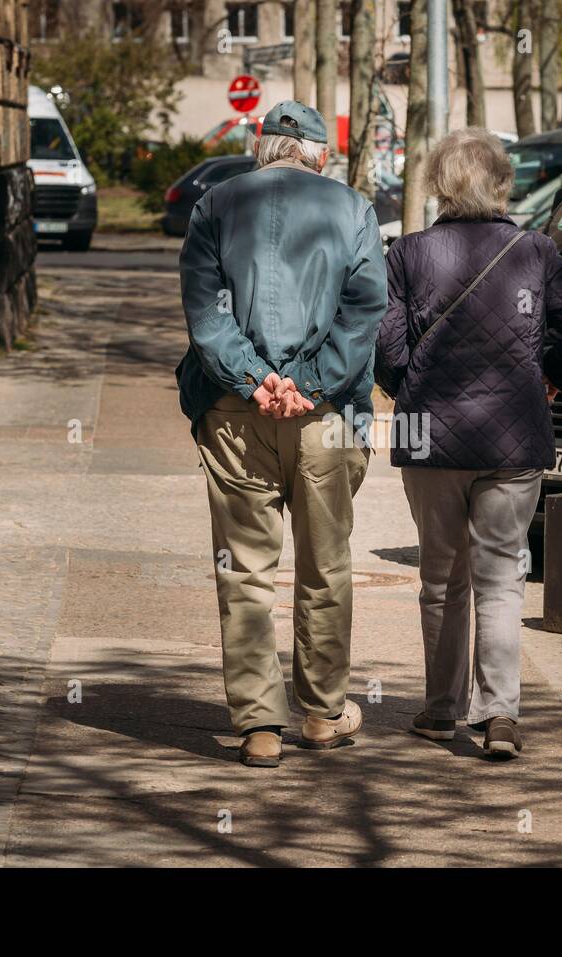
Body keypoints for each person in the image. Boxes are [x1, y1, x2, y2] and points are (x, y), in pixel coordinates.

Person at [375, 128, 562, 758]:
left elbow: (385, 347)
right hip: (515, 436)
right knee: (502, 577)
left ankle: (441, 711)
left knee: (441, 577)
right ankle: (499, 717)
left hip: (431, 440)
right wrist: (548, 378)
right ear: (503, 184)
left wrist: (414, 389)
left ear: (441, 186)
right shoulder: (536, 252)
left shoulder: (408, 254)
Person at [177, 101, 387, 768]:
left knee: (243, 571)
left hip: (236, 413)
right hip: (321, 415)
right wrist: (308, 382)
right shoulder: (352, 210)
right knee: (325, 566)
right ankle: (323, 713)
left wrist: (254, 378)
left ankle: (259, 725)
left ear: (259, 145)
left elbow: (205, 312)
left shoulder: (214, 206)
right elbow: (363, 312)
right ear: (318, 153)